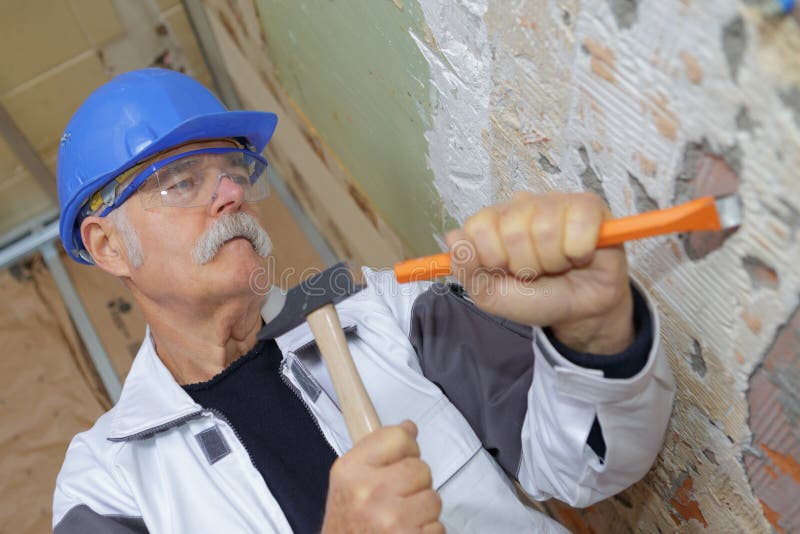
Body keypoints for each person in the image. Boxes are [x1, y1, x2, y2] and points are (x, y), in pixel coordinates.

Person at [52, 69, 674, 533]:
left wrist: (595, 337)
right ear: (107, 245)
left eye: (236, 172)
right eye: (181, 181)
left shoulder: (379, 310)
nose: (230, 195)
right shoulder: (107, 482)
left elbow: (586, 468)